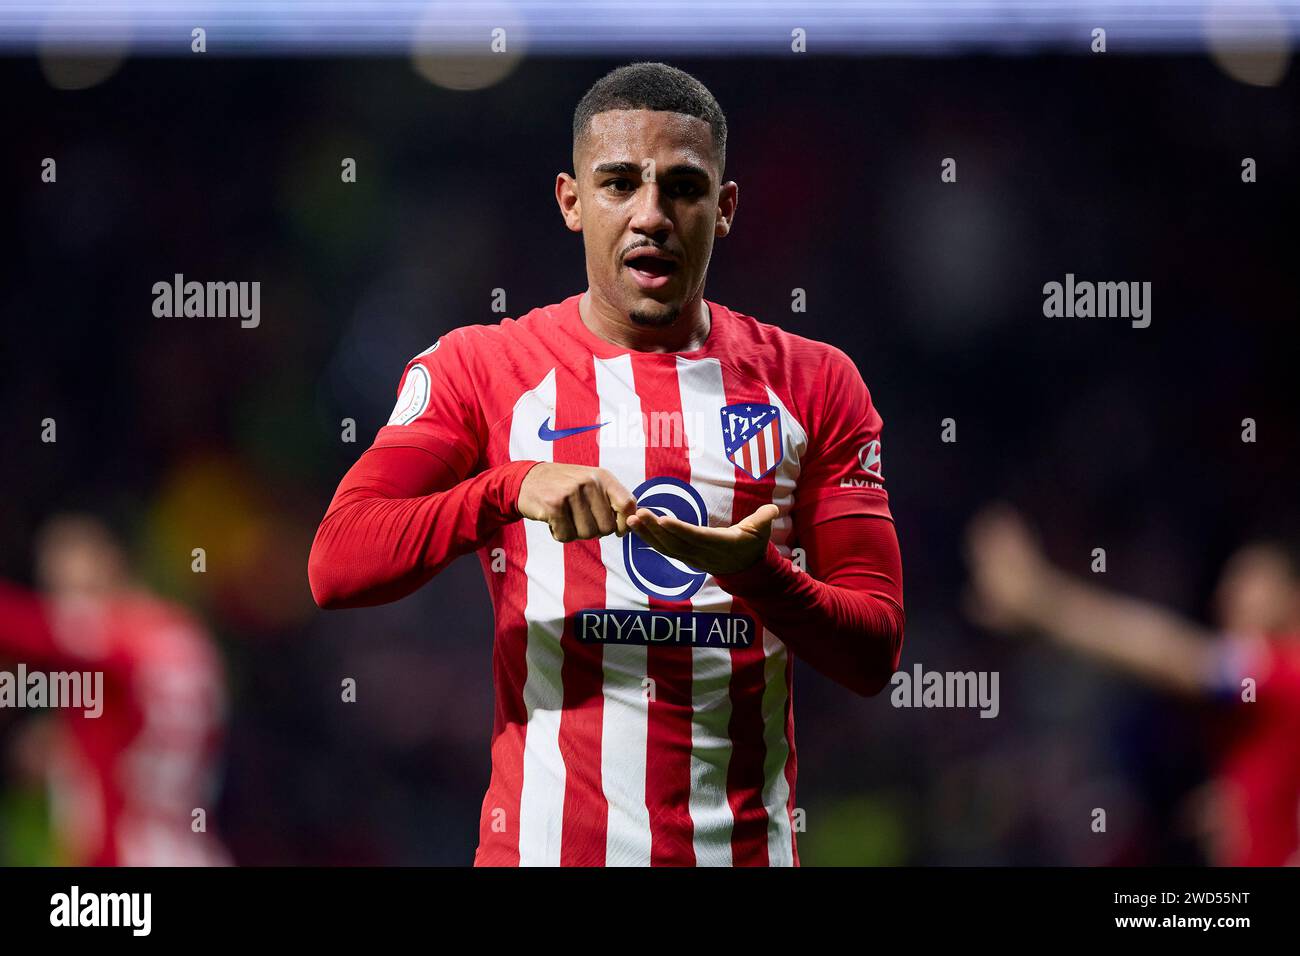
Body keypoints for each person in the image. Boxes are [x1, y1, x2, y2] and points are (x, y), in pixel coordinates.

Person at [309, 62, 905, 866]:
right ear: (571, 201)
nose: (650, 215)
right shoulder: (480, 368)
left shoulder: (815, 381)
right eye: (618, 183)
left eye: (684, 188)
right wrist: (509, 488)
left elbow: (874, 652)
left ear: (724, 209)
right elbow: (337, 562)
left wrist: (759, 574)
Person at [964, 503, 1300, 865]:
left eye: (1249, 582)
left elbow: (1169, 654)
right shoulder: (1265, 696)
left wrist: (1043, 600)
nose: (1228, 595)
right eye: (1229, 582)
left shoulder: (1279, 671)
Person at [0, 515, 229, 866]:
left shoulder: (120, 643)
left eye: (71, 586)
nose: (65, 604)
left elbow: (23, 628)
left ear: (111, 563)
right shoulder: (183, 634)